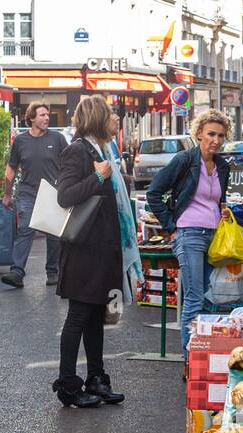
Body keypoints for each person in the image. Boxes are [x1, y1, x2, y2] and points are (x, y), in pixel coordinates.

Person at [52, 94, 139, 409]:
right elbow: (66, 196)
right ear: (97, 119)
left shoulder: (102, 150)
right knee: (77, 316)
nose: (115, 118)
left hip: (101, 250)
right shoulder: (76, 151)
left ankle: (97, 379)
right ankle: (68, 386)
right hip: (83, 251)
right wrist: (98, 176)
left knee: (94, 318)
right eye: (110, 113)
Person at [146, 109, 232, 353]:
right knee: (194, 297)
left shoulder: (222, 166)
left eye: (221, 135)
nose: (216, 140)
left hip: (214, 236)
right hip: (189, 234)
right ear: (199, 134)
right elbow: (154, 193)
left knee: (205, 296)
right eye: (211, 134)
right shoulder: (185, 160)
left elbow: (217, 199)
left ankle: (202, 353)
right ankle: (190, 358)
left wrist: (222, 211)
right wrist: (171, 227)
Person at [3, 103, 69, 288]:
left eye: (47, 115)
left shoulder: (58, 138)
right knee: (25, 228)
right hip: (27, 193)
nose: (47, 118)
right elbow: (11, 169)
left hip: (53, 193)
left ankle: (52, 272)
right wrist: (7, 194)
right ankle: (16, 271)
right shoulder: (21, 141)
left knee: (54, 234)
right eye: (42, 115)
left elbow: (70, 161)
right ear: (31, 118)